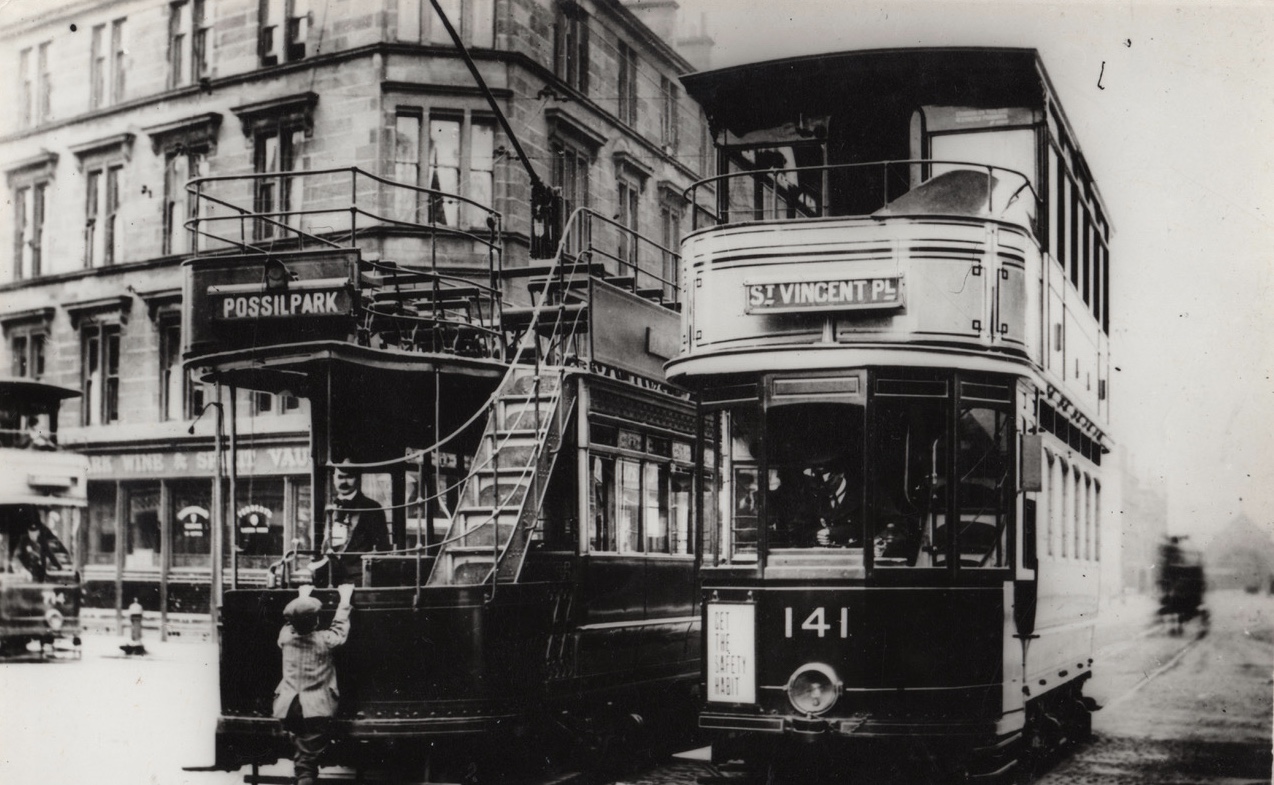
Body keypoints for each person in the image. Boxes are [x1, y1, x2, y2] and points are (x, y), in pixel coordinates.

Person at [273, 583, 355, 785]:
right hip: (316, 709)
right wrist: (344, 599)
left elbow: (291, 623)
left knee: (303, 749)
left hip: (288, 707)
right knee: (307, 761)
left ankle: (304, 773)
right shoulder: (325, 640)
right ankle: (305, 778)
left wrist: (303, 596)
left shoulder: (285, 638)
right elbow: (339, 628)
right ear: (316, 621)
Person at [316, 462, 390, 585]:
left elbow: (382, 547)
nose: (344, 482)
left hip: (358, 578)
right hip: (329, 577)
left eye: (349, 477)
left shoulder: (372, 508)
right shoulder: (329, 507)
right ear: (334, 479)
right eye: (340, 477)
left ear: (358, 478)